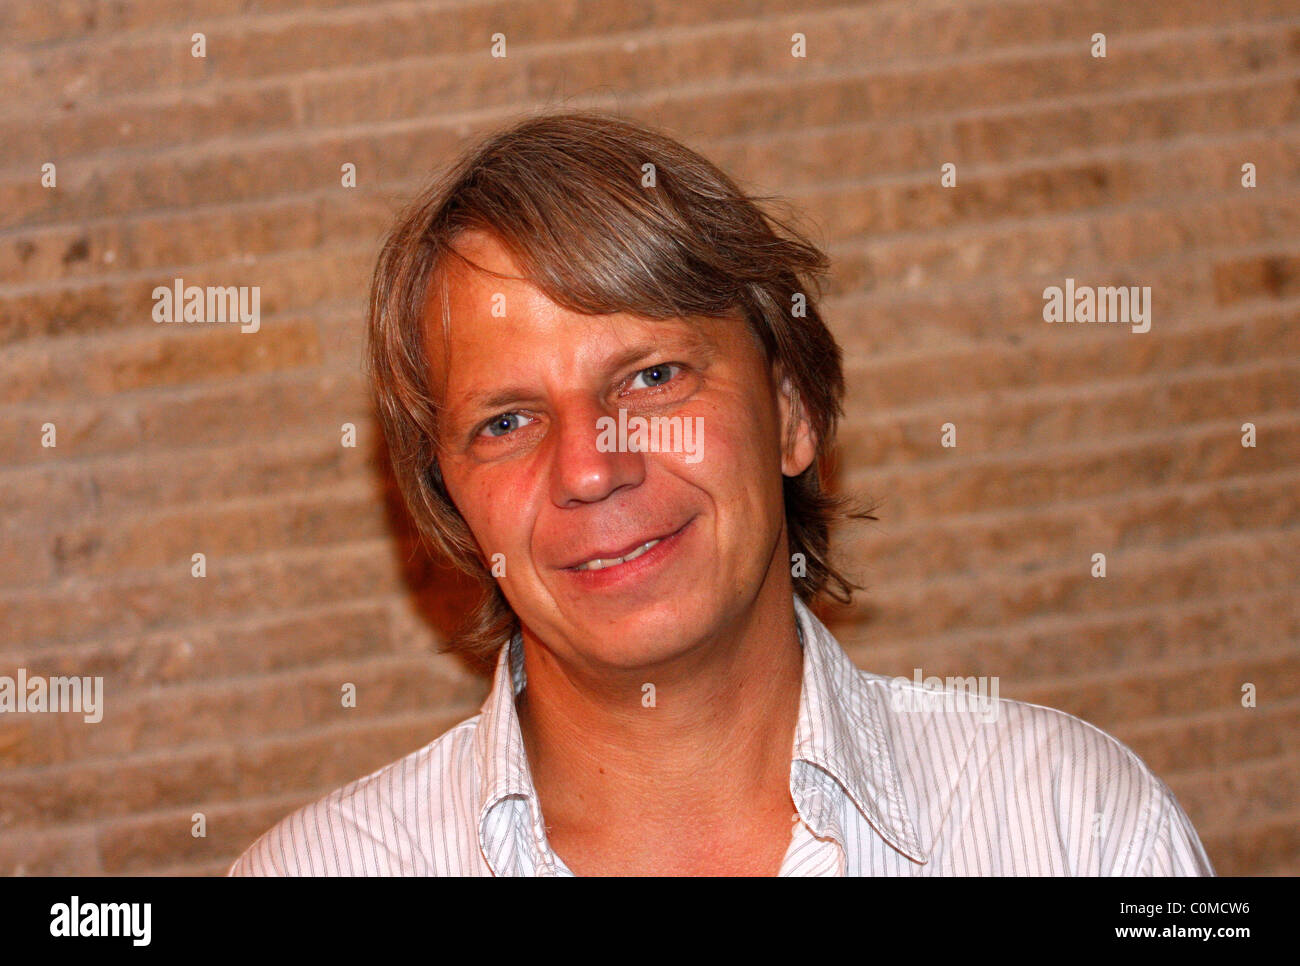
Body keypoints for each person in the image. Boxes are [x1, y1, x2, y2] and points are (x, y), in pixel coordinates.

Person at [228, 110, 1213, 876]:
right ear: (450, 504)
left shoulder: (1073, 828)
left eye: (652, 377)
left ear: (791, 411)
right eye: (507, 422)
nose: (590, 466)